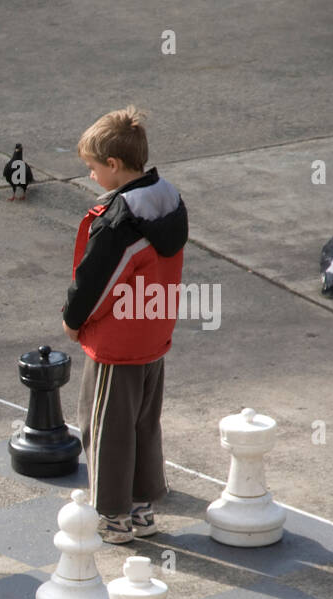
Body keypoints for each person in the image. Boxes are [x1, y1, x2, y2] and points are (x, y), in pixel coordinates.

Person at [62, 106, 188, 543]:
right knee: (142, 423)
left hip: (117, 342)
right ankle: (142, 507)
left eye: (93, 169)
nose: (92, 177)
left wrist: (73, 320)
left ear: (113, 165)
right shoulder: (169, 199)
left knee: (104, 427)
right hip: (154, 331)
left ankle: (113, 516)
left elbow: (97, 282)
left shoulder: (120, 220)